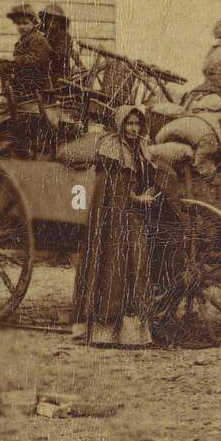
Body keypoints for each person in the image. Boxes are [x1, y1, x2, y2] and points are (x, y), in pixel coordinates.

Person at [71, 104, 158, 347]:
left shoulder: (139, 148)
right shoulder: (111, 149)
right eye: (129, 123)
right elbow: (115, 190)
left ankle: (131, 334)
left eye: (137, 124)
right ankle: (104, 331)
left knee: (136, 268)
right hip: (113, 221)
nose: (133, 128)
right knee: (114, 268)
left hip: (132, 217)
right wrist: (137, 198)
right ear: (120, 125)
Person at [0, 3, 56, 157]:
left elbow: (36, 60)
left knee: (6, 64)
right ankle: (9, 96)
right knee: (3, 65)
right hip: (27, 81)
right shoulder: (25, 39)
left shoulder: (37, 39)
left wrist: (14, 59)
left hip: (37, 83)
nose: (22, 26)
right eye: (19, 23)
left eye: (25, 23)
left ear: (33, 23)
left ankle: (10, 97)